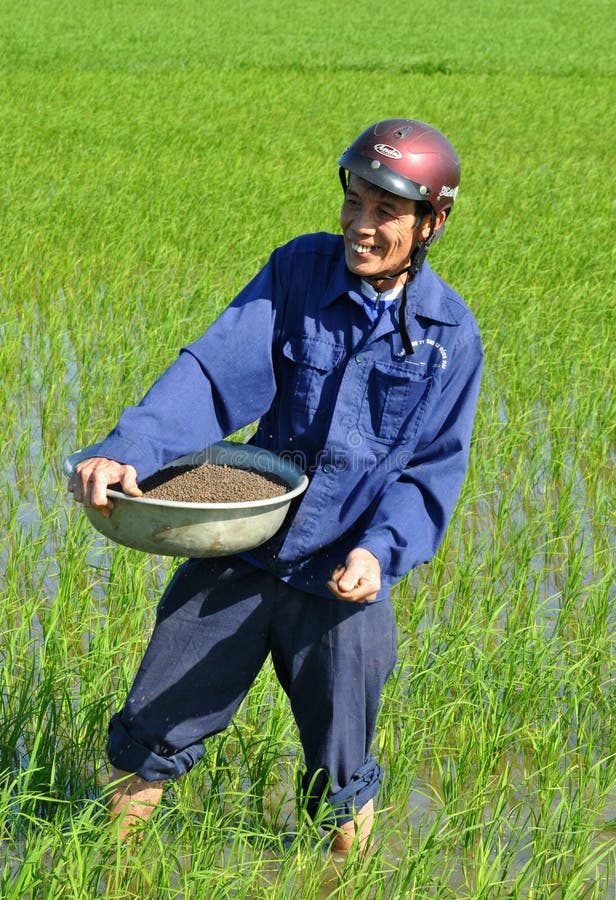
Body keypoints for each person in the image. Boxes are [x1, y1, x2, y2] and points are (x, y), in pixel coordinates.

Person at [69, 118, 483, 857]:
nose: (360, 225)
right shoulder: (298, 273)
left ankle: (336, 878)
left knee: (343, 775)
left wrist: (380, 554)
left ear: (432, 222)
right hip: (244, 549)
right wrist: (126, 450)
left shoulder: (450, 337)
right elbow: (210, 374)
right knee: (150, 732)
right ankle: (107, 870)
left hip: (343, 582)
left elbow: (430, 473)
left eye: (385, 212)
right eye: (353, 202)